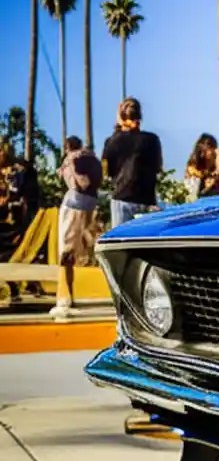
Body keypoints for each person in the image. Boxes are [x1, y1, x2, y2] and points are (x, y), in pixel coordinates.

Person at [51, 136, 102, 318]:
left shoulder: (72, 159)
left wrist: (68, 168)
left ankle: (65, 297)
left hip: (73, 204)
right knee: (89, 247)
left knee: (65, 252)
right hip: (91, 203)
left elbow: (79, 183)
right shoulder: (93, 159)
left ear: (67, 147)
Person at [102, 97, 163, 226]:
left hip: (121, 198)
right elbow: (158, 167)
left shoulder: (111, 142)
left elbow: (107, 172)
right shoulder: (152, 140)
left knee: (121, 242)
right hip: (146, 198)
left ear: (120, 117)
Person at [184, 134, 219, 201]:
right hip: (199, 197)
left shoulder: (213, 159)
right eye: (212, 149)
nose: (213, 152)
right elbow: (193, 192)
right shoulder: (193, 165)